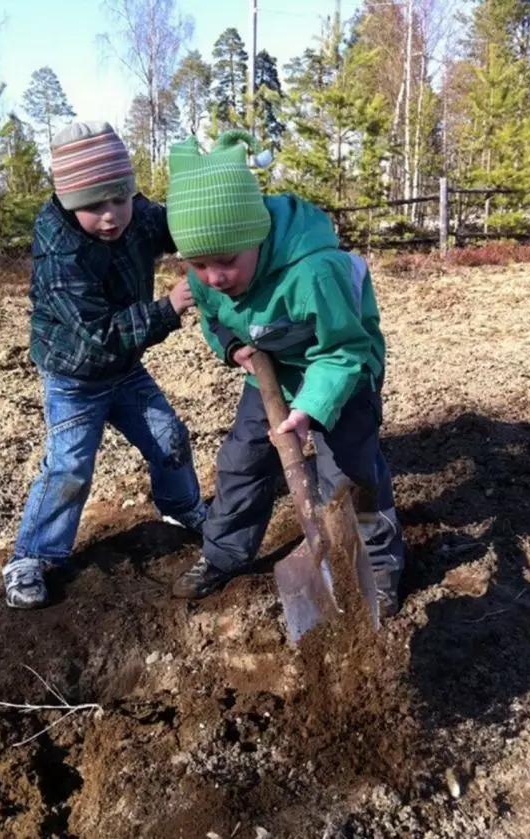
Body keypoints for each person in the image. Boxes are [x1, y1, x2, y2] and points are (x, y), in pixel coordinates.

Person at [165, 129, 404, 617]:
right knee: (242, 462)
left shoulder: (314, 271)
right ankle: (224, 552)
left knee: (348, 477)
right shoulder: (206, 273)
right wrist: (231, 346)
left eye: (226, 262)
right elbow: (215, 318)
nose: (214, 277)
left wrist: (310, 409)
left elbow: (344, 349)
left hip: (342, 373)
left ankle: (378, 570)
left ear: (256, 235)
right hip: (270, 371)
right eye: (199, 264)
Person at [2, 121, 207, 609]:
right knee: (70, 468)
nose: (112, 216)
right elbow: (99, 333)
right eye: (95, 206)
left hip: (124, 369)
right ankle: (31, 557)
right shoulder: (61, 253)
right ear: (71, 203)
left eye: (121, 199)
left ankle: (184, 509)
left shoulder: (135, 216)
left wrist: (214, 213)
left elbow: (174, 223)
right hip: (73, 378)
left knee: (169, 437)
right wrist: (170, 306)